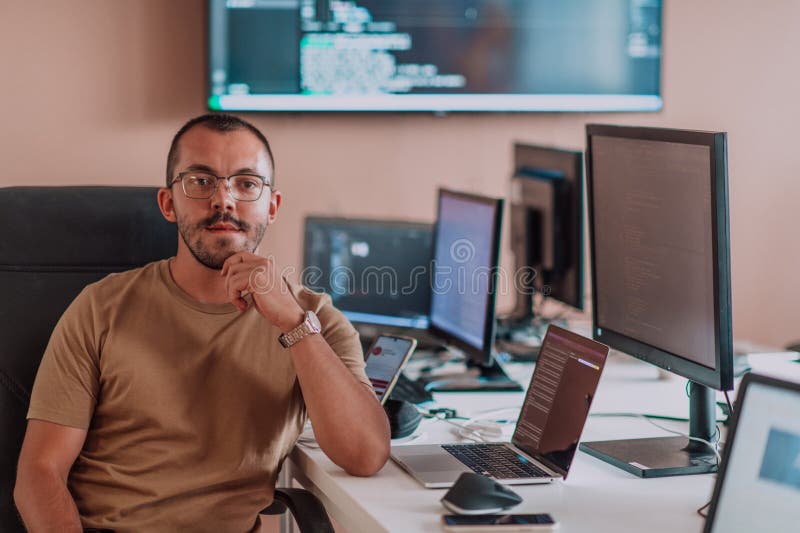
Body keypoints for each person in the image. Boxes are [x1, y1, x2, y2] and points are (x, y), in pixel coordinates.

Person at [13, 114, 391, 532]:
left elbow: (364, 455)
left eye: (247, 183)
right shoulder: (100, 308)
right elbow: (39, 474)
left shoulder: (316, 322)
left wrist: (293, 323)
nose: (224, 200)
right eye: (201, 181)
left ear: (272, 206)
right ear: (168, 203)